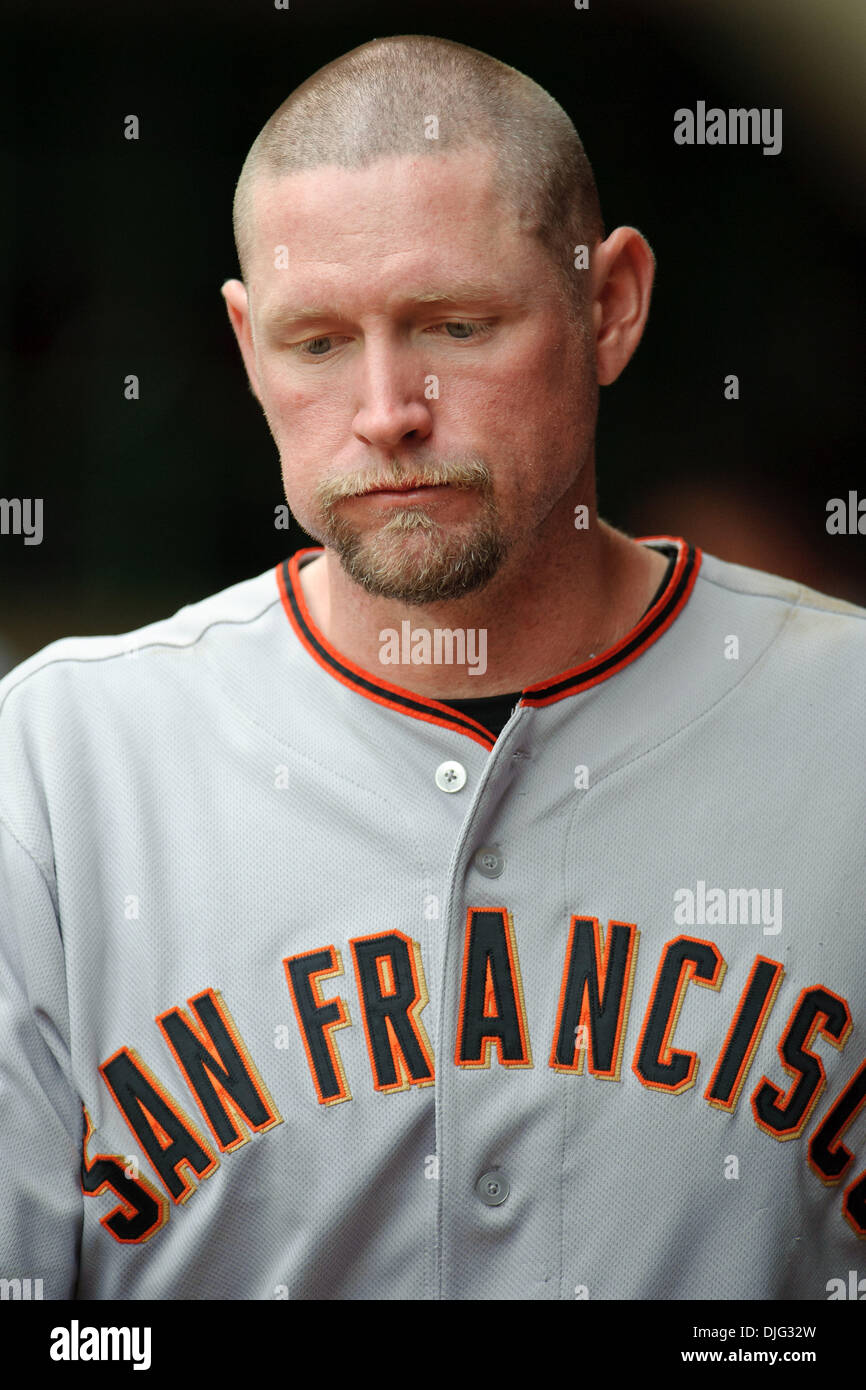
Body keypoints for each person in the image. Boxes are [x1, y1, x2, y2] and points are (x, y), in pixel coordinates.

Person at [0, 34, 863, 1303]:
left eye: (454, 324)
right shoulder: (60, 766)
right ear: (244, 347)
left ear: (608, 303)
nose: (387, 406)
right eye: (315, 343)